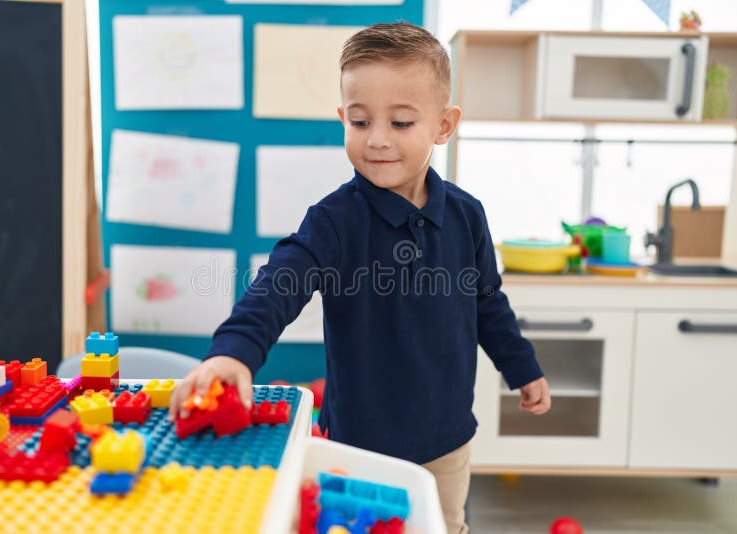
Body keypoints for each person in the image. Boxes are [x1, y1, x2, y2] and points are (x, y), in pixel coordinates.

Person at [169, 21, 551, 533]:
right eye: (360, 121)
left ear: (443, 124)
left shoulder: (466, 215)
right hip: (359, 442)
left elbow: (488, 302)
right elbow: (280, 283)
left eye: (400, 123)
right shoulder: (334, 221)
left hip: (448, 441)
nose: (376, 141)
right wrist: (232, 351)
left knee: (442, 526)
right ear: (342, 118)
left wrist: (521, 366)